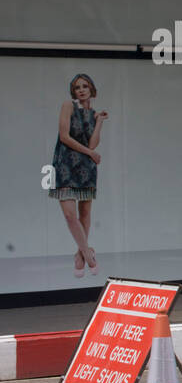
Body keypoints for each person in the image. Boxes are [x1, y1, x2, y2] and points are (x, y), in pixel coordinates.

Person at [50, 74, 108, 278]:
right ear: (73, 92)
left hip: (86, 168)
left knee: (84, 213)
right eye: (77, 87)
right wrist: (91, 153)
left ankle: (79, 255)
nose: (81, 90)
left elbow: (93, 144)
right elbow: (64, 136)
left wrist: (99, 122)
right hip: (65, 164)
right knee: (69, 215)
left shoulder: (93, 114)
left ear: (92, 89)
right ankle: (88, 254)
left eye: (85, 86)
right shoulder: (68, 106)